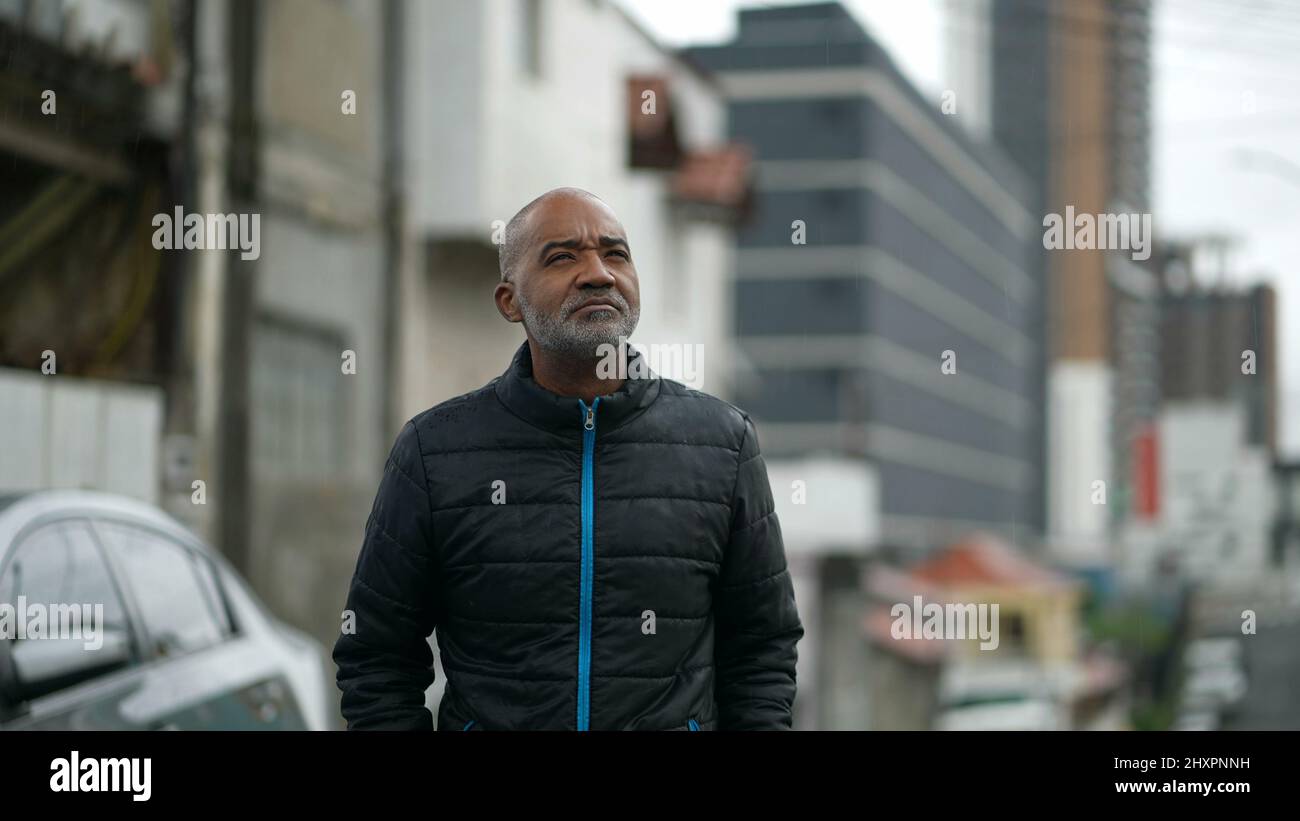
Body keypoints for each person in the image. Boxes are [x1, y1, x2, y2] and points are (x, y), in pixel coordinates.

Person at [333, 187, 803, 730]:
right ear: (510, 301)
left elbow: (763, 649)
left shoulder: (723, 443)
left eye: (616, 253)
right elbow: (376, 654)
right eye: (562, 257)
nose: (598, 273)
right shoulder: (434, 450)